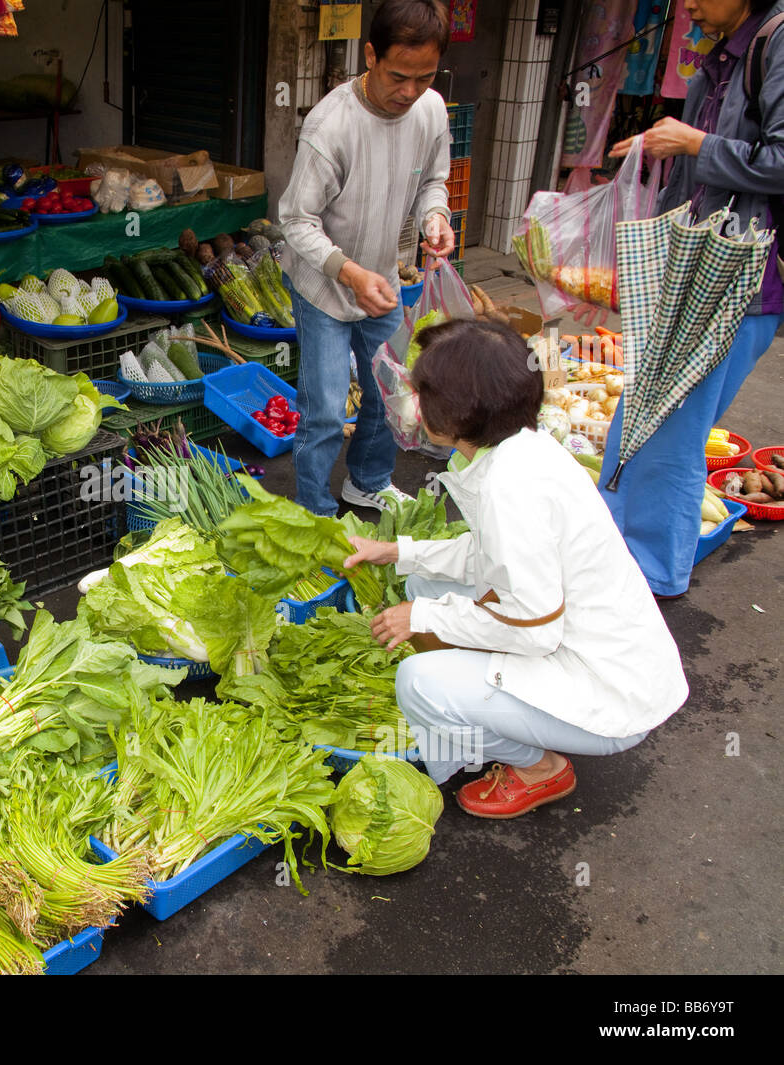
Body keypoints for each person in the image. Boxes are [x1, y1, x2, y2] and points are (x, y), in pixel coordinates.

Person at [343, 319, 688, 818]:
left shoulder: (512, 485)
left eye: (421, 392)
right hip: (595, 650)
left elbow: (536, 629)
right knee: (420, 582)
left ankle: (536, 766)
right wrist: (397, 553)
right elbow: (494, 557)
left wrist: (422, 619)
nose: (412, 403)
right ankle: (477, 714)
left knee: (418, 681)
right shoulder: (524, 447)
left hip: (608, 693)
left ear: (455, 414)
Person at [600, 0, 783, 597]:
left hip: (739, 283)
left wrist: (695, 144)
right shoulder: (726, 53)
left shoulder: (774, 44)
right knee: (643, 424)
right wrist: (670, 150)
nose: (688, 6)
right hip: (699, 271)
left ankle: (651, 578)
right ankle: (615, 561)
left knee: (669, 433)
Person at [278, 0, 456, 516]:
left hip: (380, 282)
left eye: (423, 78)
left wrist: (435, 219)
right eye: (399, 76)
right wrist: (349, 272)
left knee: (391, 393)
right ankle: (314, 508)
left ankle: (369, 481)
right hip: (325, 286)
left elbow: (434, 181)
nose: (409, 92)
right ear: (370, 54)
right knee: (327, 410)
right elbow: (295, 221)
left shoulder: (430, 110)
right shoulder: (330, 126)